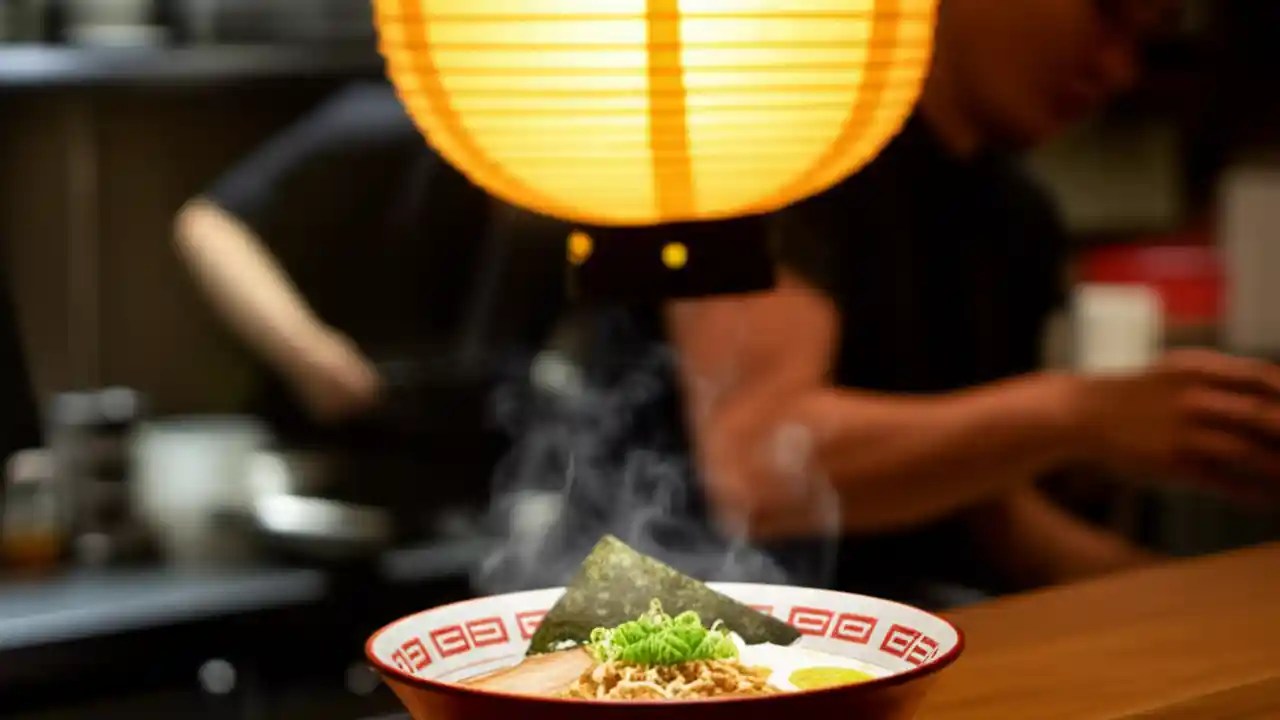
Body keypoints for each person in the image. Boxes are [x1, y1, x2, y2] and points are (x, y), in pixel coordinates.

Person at [661, 0, 1280, 603]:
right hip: (671, 613)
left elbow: (983, 509)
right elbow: (755, 467)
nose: (1118, 69)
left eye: (1143, 38)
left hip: (908, 635)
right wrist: (1076, 414)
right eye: (1107, 13)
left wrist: (1186, 599)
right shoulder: (789, 149)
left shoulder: (1016, 215)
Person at [174, 82, 567, 440]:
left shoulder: (595, 184)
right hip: (339, 437)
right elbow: (208, 224)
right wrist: (310, 355)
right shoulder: (380, 124)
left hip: (498, 452)